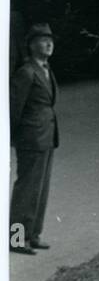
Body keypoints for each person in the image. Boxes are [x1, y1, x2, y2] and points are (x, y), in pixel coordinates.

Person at [10, 23, 59, 255]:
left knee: (40, 189)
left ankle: (33, 235)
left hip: (46, 137)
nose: (49, 43)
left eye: (50, 39)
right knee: (26, 189)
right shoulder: (26, 72)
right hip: (30, 138)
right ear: (31, 45)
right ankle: (17, 239)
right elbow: (13, 108)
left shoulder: (46, 69)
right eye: (42, 40)